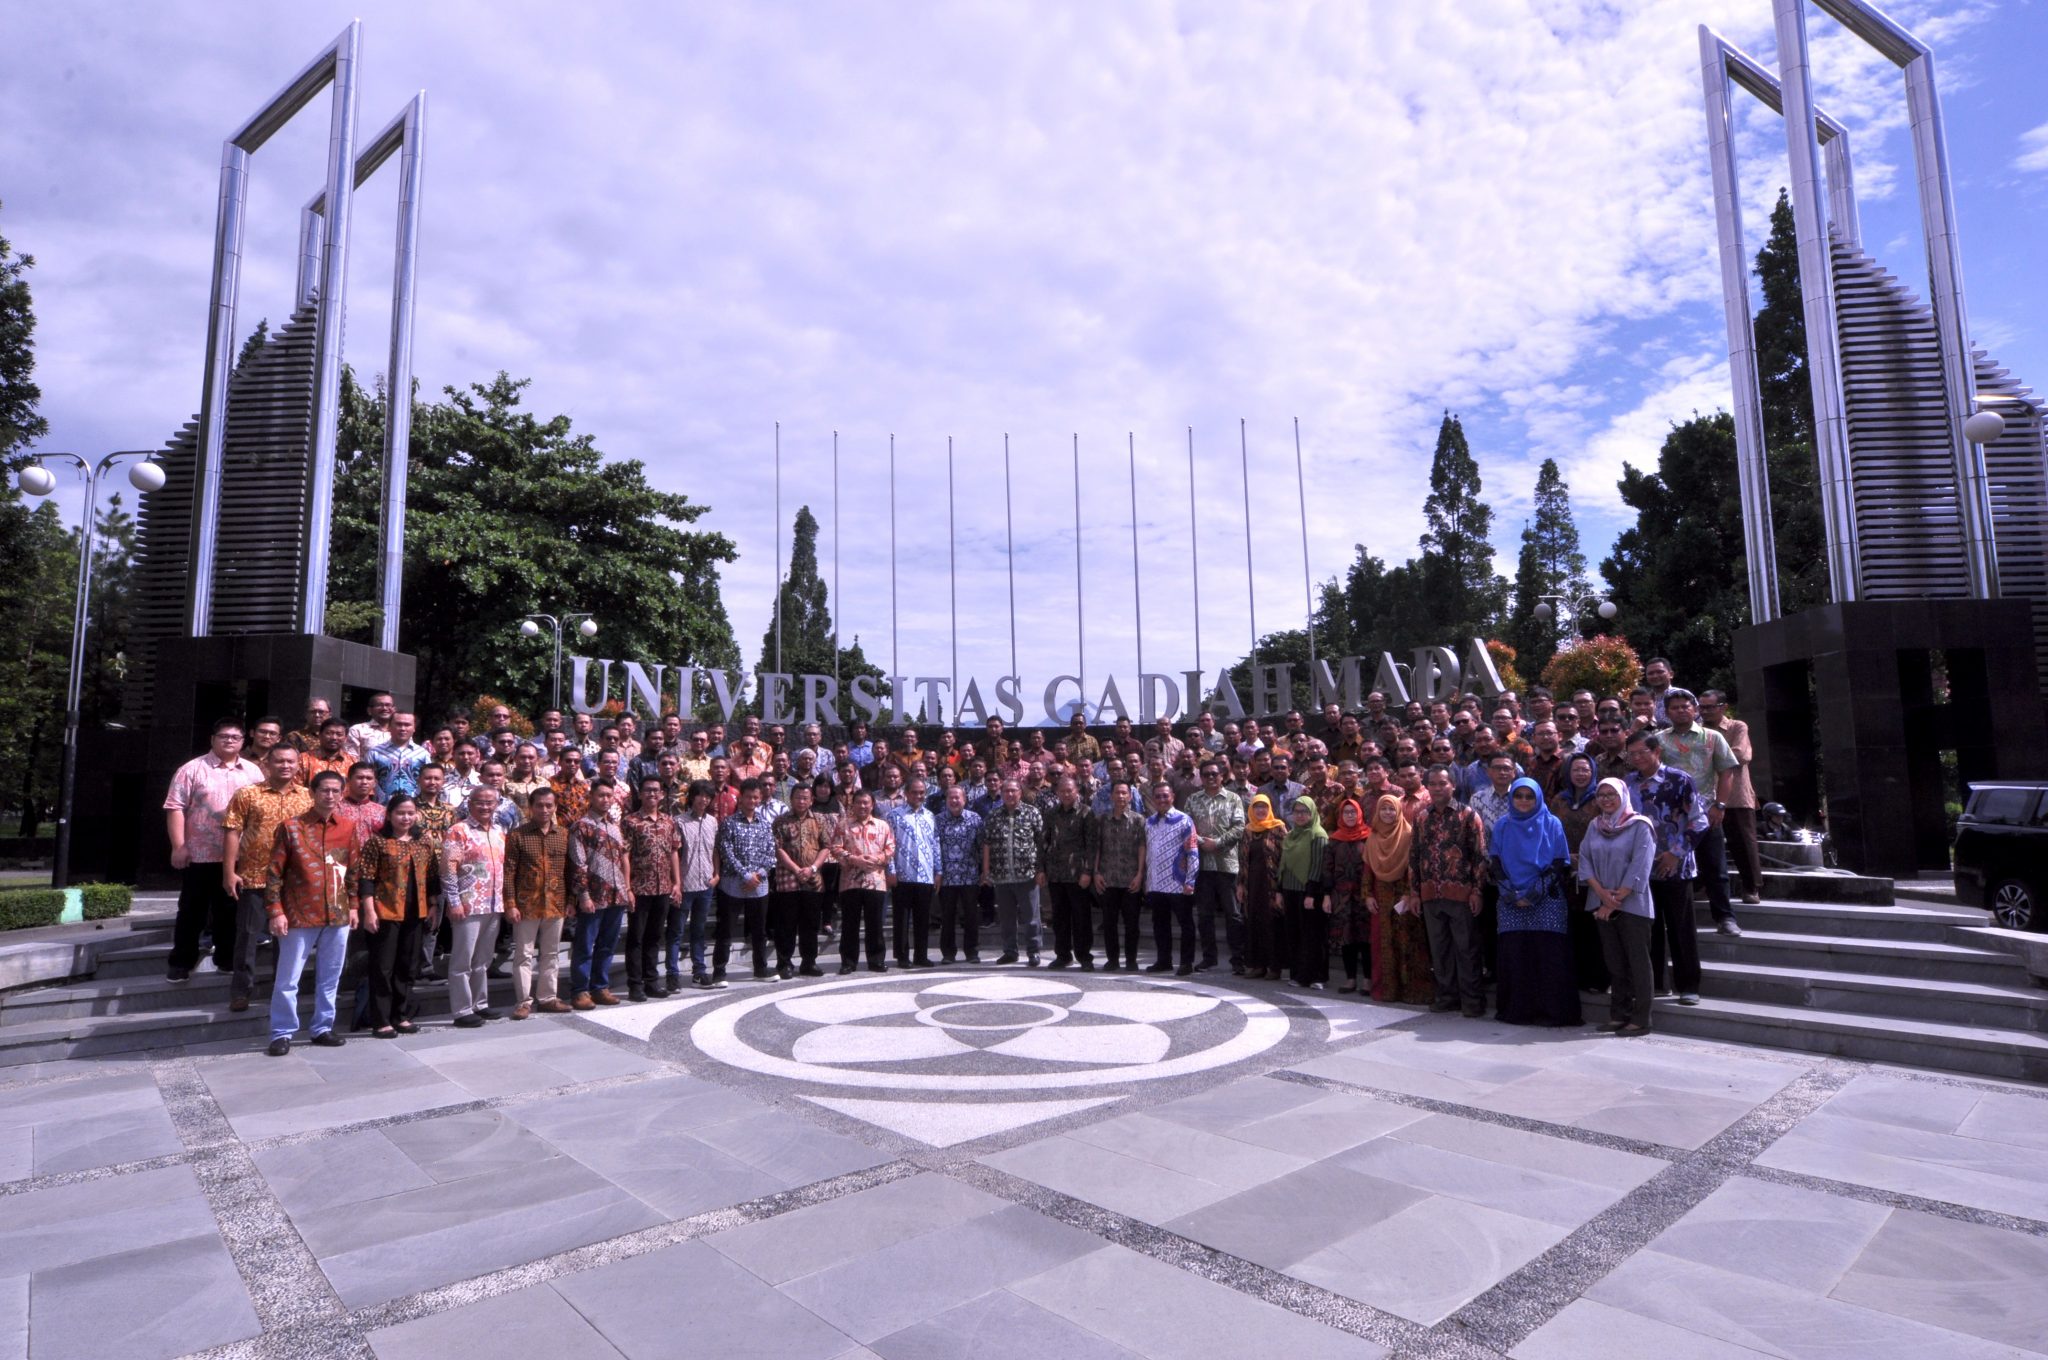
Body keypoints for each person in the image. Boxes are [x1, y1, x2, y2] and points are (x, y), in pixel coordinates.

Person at [263, 770, 364, 1055]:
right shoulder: (291, 827)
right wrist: (275, 911)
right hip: (298, 913)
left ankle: (322, 1027)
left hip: (338, 912)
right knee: (288, 978)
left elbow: (353, 871)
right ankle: (282, 1032)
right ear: (312, 792)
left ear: (341, 793)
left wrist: (354, 905)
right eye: (324, 790)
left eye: (335, 790)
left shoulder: (347, 827)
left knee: (330, 976)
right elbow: (273, 873)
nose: (329, 795)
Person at [164, 717, 262, 984]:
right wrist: (178, 846)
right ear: (213, 739)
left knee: (230, 911)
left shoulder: (253, 772)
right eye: (224, 736)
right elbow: (175, 807)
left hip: (238, 856)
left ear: (243, 742)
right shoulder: (192, 769)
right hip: (199, 853)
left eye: (235, 737)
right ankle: (181, 961)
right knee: (191, 910)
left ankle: (227, 959)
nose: (229, 741)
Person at [220, 743, 310, 1012]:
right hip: (254, 876)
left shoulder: (307, 797)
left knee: (289, 939)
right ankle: (241, 991)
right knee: (247, 936)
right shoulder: (248, 794)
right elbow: (232, 831)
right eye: (280, 761)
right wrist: (229, 871)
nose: (285, 766)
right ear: (267, 764)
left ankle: (281, 990)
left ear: (297, 765)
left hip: (294, 880)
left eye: (291, 762)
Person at [1488, 778, 1580, 1027]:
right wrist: (1510, 893)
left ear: (1538, 798)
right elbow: (1495, 861)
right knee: (1516, 955)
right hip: (1510, 898)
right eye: (1519, 796)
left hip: (1546, 897)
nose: (1524, 801)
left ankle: (1552, 1012)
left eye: (1530, 796)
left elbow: (1559, 861)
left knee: (1548, 955)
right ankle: (1518, 1011)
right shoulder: (1503, 825)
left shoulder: (1551, 823)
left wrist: (1533, 894)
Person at [1625, 730, 1705, 1006]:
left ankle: (1689, 985)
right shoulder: (1628, 783)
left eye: (1642, 752)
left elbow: (1699, 821)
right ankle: (1657, 982)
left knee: (1680, 928)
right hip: (1642, 868)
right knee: (1651, 928)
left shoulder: (1679, 780)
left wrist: (1676, 853)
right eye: (1632, 754)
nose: (1637, 758)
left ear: (1656, 751)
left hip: (1676, 867)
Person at [352, 792, 436, 1037]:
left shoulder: (423, 841)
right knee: (383, 967)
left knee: (407, 966)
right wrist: (368, 911)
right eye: (400, 813)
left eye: (410, 813)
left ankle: (401, 1015)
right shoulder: (377, 842)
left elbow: (431, 876)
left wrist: (432, 905)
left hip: (416, 912)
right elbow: (366, 878)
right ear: (389, 815)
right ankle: (381, 1019)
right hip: (386, 912)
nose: (406, 817)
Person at [1660, 688, 1741, 936]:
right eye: (1675, 707)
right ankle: (1668, 920)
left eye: (1686, 706)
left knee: (1715, 867)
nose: (1681, 710)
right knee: (1669, 868)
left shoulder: (1712, 737)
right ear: (1667, 712)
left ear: (1694, 710)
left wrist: (1721, 805)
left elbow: (1727, 772)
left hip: (1705, 814)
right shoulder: (1659, 740)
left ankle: (1725, 918)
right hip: (1671, 819)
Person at [1580, 777, 1658, 1036]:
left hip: (1632, 905)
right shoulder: (1595, 825)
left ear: (1623, 795)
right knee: (1615, 963)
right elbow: (1585, 861)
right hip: (1601, 903)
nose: (1605, 799)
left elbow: (1641, 865)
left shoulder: (1640, 825)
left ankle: (1641, 1018)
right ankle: (1619, 1014)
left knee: (1638, 963)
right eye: (1601, 795)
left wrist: (1614, 901)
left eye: (1611, 794)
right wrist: (1603, 895)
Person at [1415, 765, 1488, 1017]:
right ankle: (1447, 997)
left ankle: (1472, 1001)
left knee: (1466, 949)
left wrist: (1477, 890)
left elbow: (1480, 856)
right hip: (1430, 894)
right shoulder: (1422, 817)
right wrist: (1415, 891)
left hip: (1461, 895)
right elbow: (1415, 854)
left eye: (1442, 783)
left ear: (1453, 786)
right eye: (1432, 784)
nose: (1437, 788)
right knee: (1440, 950)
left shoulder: (1468, 816)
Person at [503, 786, 573, 1018]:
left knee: (551, 953)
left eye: (549, 805)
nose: (544, 809)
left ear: (554, 807)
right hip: (526, 904)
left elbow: (569, 871)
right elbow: (509, 871)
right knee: (523, 954)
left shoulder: (563, 835)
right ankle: (523, 1002)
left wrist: (571, 900)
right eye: (539, 805)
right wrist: (510, 903)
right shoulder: (518, 835)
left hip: (556, 903)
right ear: (531, 807)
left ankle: (548, 998)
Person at [441, 786, 508, 1027]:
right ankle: (462, 1010)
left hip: (493, 903)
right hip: (468, 905)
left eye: (490, 802)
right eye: (480, 802)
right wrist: (454, 901)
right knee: (463, 960)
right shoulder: (459, 831)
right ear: (470, 804)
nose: (485, 806)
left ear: (496, 804)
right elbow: (448, 870)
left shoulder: (499, 831)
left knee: (483, 960)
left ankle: (480, 1004)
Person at [1548, 752, 1611, 994]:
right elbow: (1551, 832)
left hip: (1596, 871)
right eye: (1576, 770)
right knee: (1572, 925)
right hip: (1565, 871)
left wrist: (1584, 858)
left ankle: (1599, 978)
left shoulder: (1601, 798)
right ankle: (1575, 975)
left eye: (1585, 769)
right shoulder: (1558, 801)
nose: (1581, 774)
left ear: (1593, 772)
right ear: (1568, 773)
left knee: (1594, 926)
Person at [568, 780, 634, 1006]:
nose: (606, 800)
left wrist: (627, 889)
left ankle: (600, 987)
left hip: (616, 895)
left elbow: (624, 858)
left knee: (607, 944)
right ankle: (580, 990)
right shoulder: (581, 826)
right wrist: (583, 895)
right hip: (594, 896)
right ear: (591, 797)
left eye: (609, 796)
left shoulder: (615, 825)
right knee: (585, 945)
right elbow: (578, 864)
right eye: (601, 795)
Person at [1360, 793, 1428, 1003]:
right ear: (1377, 812)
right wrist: (1367, 895)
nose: (1388, 813)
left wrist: (1410, 894)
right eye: (1384, 809)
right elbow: (1368, 870)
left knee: (1407, 942)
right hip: (1380, 897)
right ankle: (1388, 990)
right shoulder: (1373, 837)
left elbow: (1415, 868)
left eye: (1392, 809)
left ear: (1398, 811)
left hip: (1404, 897)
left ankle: (1411, 991)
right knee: (1383, 944)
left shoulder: (1408, 835)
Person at [1700, 690, 1763, 908]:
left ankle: (1751, 887)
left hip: (1736, 794)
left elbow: (1742, 755)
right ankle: (1706, 886)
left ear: (1722, 707)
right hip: (1707, 797)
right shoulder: (1698, 730)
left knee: (1743, 843)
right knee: (1706, 845)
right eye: (1702, 707)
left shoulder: (1737, 727)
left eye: (1710, 707)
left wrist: (1706, 759)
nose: (1705, 711)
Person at [1184, 760, 1246, 975]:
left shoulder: (1233, 798)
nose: (1210, 778)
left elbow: (1239, 827)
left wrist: (1218, 843)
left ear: (1222, 776)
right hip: (1201, 865)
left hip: (1226, 864)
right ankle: (1209, 958)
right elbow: (1187, 827)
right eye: (1206, 774)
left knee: (1233, 914)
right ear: (1200, 776)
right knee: (1204, 914)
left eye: (1214, 774)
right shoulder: (1193, 799)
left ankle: (1238, 960)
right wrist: (1203, 842)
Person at [623, 776, 681, 1000]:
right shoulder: (631, 822)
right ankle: (635, 984)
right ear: (640, 794)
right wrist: (627, 887)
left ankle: (651, 981)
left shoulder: (668, 821)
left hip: (663, 887)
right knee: (636, 937)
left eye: (656, 791)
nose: (652, 794)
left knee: (655, 937)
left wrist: (677, 883)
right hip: (640, 888)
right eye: (647, 790)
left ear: (662, 794)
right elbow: (625, 855)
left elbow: (674, 852)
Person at [717, 778, 777, 983]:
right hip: (733, 884)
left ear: (760, 799)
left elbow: (771, 854)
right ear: (740, 798)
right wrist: (745, 875)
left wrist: (758, 875)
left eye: (756, 797)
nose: (752, 800)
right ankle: (719, 972)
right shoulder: (729, 823)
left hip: (758, 886)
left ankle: (760, 969)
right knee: (725, 930)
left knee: (759, 930)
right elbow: (726, 852)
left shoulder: (765, 825)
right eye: (748, 797)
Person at [982, 778, 1046, 966]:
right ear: (1001, 793)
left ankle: (1034, 951)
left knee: (1031, 917)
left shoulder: (1032, 813)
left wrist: (1041, 869)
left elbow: (1041, 843)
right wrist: (986, 871)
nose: (1010, 794)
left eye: (1013, 790)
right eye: (1006, 791)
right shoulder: (993, 815)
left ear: (1020, 792)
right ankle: (1010, 951)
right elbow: (987, 843)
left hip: (1027, 874)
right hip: (1001, 875)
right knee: (1006, 918)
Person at [770, 782, 832, 977]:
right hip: (787, 877)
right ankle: (784, 963)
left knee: (810, 923)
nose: (801, 801)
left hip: (812, 879)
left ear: (811, 800)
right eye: (798, 797)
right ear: (791, 798)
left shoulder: (820, 820)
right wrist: (797, 869)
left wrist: (812, 868)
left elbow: (826, 846)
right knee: (786, 923)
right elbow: (777, 849)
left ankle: (809, 962)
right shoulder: (780, 821)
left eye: (805, 798)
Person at [1142, 782, 1200, 976]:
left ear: (1172, 796)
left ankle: (1186, 962)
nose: (1161, 799)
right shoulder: (1149, 822)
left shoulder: (1184, 820)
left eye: (1165, 796)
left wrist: (1190, 881)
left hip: (1178, 883)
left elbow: (1192, 851)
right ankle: (1163, 960)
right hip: (1156, 883)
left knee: (1185, 924)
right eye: (1157, 796)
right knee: (1160, 924)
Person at [1040, 775, 1097, 970]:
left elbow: (1091, 845)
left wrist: (1087, 871)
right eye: (1062, 791)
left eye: (1069, 791)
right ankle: (1063, 955)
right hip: (1056, 874)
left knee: (1081, 918)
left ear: (1076, 792)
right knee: (1059, 918)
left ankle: (1084, 956)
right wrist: (1041, 869)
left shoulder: (1086, 813)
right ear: (1057, 793)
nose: (1066, 794)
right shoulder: (1051, 813)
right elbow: (1043, 842)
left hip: (1077, 874)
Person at [836, 788, 895, 973]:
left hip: (876, 881)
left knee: (875, 923)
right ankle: (848, 962)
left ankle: (876, 960)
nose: (862, 806)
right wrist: (855, 859)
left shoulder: (882, 825)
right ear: (852, 805)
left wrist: (876, 860)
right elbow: (835, 848)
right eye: (859, 802)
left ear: (872, 804)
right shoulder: (843, 825)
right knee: (849, 924)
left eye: (866, 802)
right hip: (850, 882)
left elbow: (890, 848)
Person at [1278, 795, 1331, 989]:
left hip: (1310, 893)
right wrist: (1279, 890)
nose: (1300, 816)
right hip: (1290, 890)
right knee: (1294, 934)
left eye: (1304, 812)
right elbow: (1283, 865)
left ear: (1313, 813)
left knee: (1313, 935)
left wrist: (1310, 894)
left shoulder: (1318, 835)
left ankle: (1317, 976)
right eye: (1296, 812)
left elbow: (1318, 867)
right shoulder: (1291, 835)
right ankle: (1299, 974)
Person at [674, 779, 723, 989]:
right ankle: (672, 974)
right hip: (685, 884)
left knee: (699, 930)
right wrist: (676, 882)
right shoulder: (679, 821)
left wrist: (717, 874)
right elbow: (674, 854)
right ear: (691, 797)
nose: (703, 799)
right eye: (700, 795)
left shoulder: (713, 821)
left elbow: (714, 850)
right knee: (676, 931)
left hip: (705, 883)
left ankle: (699, 971)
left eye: (707, 796)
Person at [887, 776, 940, 969]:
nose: (918, 796)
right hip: (903, 874)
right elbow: (889, 845)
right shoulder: (894, 815)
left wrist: (938, 870)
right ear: (906, 793)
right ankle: (902, 956)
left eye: (922, 793)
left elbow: (935, 845)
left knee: (922, 918)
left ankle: (921, 955)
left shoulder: (930, 816)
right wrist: (891, 871)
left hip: (925, 875)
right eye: (914, 792)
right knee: (901, 919)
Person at [1093, 781, 1147, 972]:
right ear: (1111, 796)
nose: (1121, 796)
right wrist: (1096, 872)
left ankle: (1131, 959)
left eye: (1125, 793)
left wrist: (1140, 874)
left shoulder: (1138, 820)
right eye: (1117, 793)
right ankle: (1112, 959)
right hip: (1107, 878)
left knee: (1132, 923)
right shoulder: (1102, 820)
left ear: (1130, 796)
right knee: (1109, 923)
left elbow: (1142, 847)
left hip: (1131, 879)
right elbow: (1097, 847)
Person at [1235, 794, 1286, 981]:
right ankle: (1257, 965)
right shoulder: (1248, 830)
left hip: (1271, 884)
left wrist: (1280, 888)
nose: (1261, 811)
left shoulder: (1278, 828)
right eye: (1257, 807)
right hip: (1252, 884)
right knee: (1253, 923)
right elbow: (1242, 859)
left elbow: (1284, 859)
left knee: (1271, 925)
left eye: (1264, 807)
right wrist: (1240, 884)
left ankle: (1274, 967)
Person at [1325, 798, 1373, 994]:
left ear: (1360, 814)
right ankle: (1350, 978)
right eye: (1346, 813)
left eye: (1353, 812)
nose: (1350, 816)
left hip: (1364, 895)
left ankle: (1368, 980)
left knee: (1365, 938)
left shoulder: (1369, 837)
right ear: (1340, 816)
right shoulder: (1335, 840)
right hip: (1341, 896)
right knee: (1347, 938)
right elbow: (1327, 869)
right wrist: (1327, 895)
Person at [933, 785, 984, 964]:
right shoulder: (938, 820)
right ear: (946, 800)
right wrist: (937, 872)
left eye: (958, 798)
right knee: (947, 917)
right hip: (946, 877)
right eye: (951, 798)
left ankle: (972, 951)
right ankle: (948, 953)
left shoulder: (975, 819)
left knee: (971, 915)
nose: (954, 801)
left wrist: (983, 871)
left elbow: (981, 846)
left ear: (965, 800)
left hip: (969, 875)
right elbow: (934, 848)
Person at [346, 692, 395, 761]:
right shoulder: (358, 730)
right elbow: (351, 759)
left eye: (388, 705)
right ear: (369, 710)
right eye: (379, 705)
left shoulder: (400, 731)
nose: (385, 708)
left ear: (394, 709)